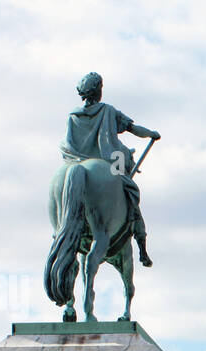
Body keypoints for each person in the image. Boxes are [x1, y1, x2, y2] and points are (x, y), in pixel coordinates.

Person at [60, 72, 159, 267]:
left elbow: (68, 143)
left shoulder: (73, 116)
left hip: (75, 162)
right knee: (131, 193)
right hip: (112, 161)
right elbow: (133, 128)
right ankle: (142, 248)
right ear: (99, 91)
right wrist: (152, 134)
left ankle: (60, 232)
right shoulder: (108, 111)